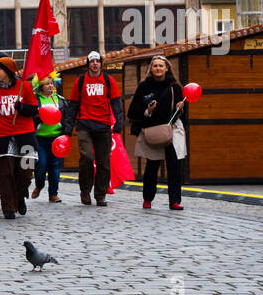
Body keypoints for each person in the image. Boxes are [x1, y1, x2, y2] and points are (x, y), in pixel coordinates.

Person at [0, 55, 39, 220]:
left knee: (26, 172)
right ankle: (8, 207)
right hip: (2, 136)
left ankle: (20, 196)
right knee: (5, 174)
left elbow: (34, 110)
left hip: (25, 136)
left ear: (8, 71)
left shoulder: (25, 87)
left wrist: (23, 108)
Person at [128, 54, 188, 211]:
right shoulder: (144, 87)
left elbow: (183, 113)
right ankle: (147, 198)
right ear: (151, 69)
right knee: (152, 166)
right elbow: (133, 111)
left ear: (167, 68)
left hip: (171, 129)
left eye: (161, 66)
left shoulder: (175, 87)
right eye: (155, 66)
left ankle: (174, 201)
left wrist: (180, 108)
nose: (158, 68)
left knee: (174, 165)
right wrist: (147, 111)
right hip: (152, 130)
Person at [65, 50, 124, 206]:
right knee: (86, 159)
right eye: (92, 61)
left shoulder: (108, 80)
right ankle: (85, 191)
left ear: (101, 64)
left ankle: (100, 195)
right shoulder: (80, 81)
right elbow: (73, 106)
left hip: (103, 126)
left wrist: (119, 122)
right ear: (88, 64)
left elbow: (117, 103)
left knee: (104, 162)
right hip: (85, 125)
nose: (95, 64)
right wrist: (68, 127)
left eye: (97, 61)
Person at [32, 75, 69, 203]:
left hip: (56, 138)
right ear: (41, 86)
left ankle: (53, 194)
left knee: (55, 166)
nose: (50, 86)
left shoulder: (60, 100)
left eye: (52, 83)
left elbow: (67, 117)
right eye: (47, 84)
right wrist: (41, 117)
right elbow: (30, 117)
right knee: (41, 165)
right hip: (40, 139)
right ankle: (39, 184)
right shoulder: (35, 100)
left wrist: (67, 132)